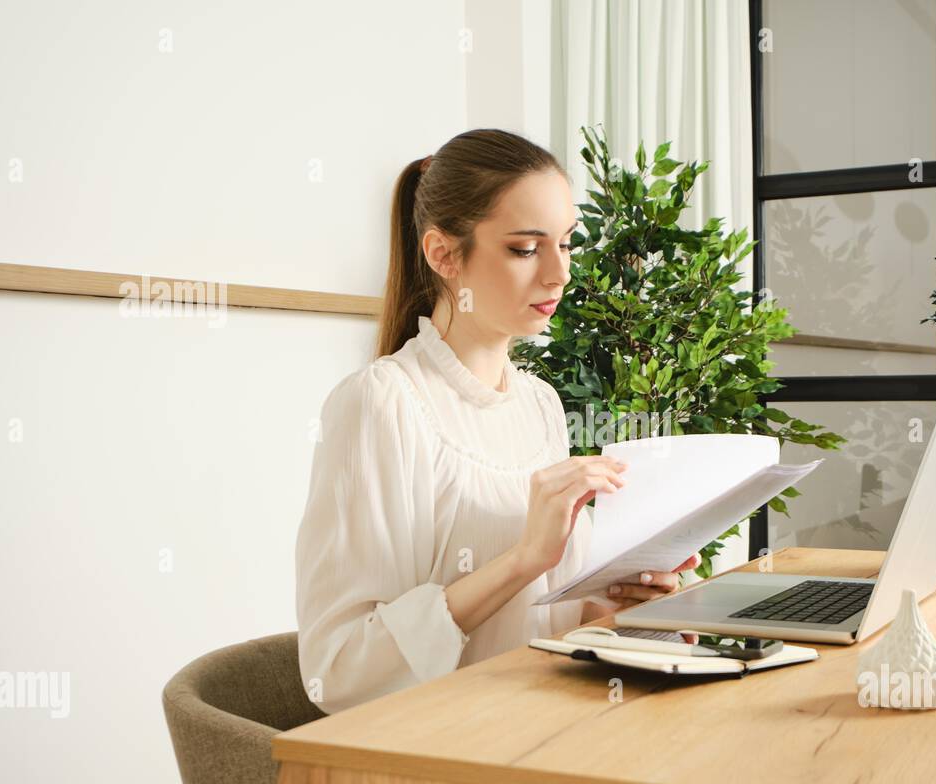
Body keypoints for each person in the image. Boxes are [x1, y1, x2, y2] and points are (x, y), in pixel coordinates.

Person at [295, 129, 699, 714]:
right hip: (443, 758)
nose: (559, 273)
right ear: (443, 254)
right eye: (525, 249)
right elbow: (338, 673)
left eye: (566, 243)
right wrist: (522, 560)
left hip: (546, 726)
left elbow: (537, 624)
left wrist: (617, 608)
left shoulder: (540, 405)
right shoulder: (381, 404)